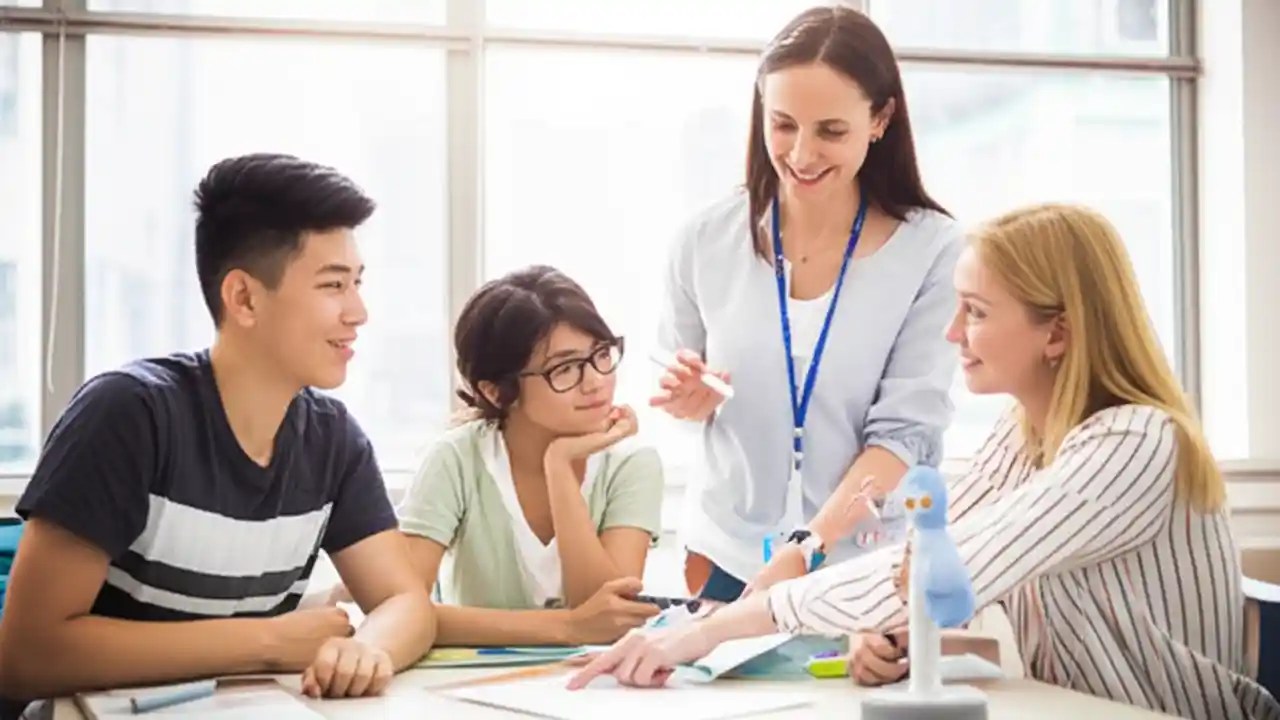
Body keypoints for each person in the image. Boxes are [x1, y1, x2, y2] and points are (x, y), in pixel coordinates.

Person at [569, 203, 1280, 720]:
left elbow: (959, 564)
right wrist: (882, 631)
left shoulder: (1132, 445)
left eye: (974, 311)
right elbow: (920, 561)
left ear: (1056, 333)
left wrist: (704, 632)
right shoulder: (1023, 434)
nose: (950, 333)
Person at [0, 154, 435, 709]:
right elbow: (27, 655)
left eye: (357, 283)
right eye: (333, 285)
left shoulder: (335, 442)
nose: (358, 312)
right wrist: (269, 641)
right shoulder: (129, 416)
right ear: (244, 298)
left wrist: (368, 649)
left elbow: (406, 602)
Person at [653, 5, 963, 602]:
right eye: (784, 124)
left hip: (861, 563)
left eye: (831, 130)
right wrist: (690, 398)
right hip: (724, 553)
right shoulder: (704, 240)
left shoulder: (933, 251)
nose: (801, 153)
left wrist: (808, 550)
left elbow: (904, 436)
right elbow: (687, 387)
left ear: (880, 120)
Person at [386, 265, 665, 646]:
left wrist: (560, 468)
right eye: (565, 368)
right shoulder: (456, 459)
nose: (596, 381)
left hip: (597, 693)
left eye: (601, 354)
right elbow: (401, 609)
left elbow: (609, 617)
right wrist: (567, 628)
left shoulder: (632, 464)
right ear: (497, 392)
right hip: (468, 691)